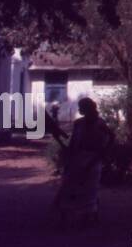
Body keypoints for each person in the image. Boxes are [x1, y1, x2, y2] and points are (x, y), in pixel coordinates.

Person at [48, 97, 115, 228]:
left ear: (88, 108)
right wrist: (67, 152)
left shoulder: (99, 123)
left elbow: (111, 137)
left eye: (82, 107)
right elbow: (73, 141)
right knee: (69, 186)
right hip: (77, 158)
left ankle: (89, 217)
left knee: (90, 188)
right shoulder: (78, 123)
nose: (79, 109)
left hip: (93, 159)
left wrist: (102, 154)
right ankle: (66, 216)